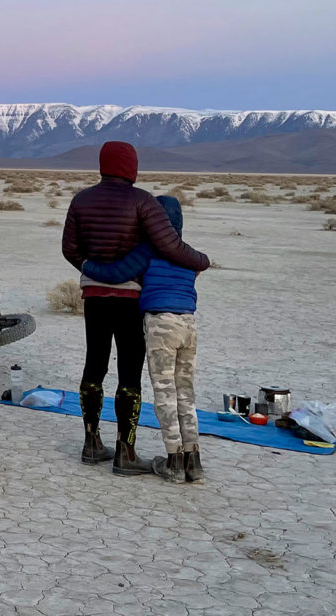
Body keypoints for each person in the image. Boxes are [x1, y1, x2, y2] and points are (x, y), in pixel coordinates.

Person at [61, 142, 209, 475]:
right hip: (131, 298)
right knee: (129, 372)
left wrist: (88, 266)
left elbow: (69, 248)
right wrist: (201, 261)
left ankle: (91, 442)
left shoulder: (81, 200)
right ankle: (125, 452)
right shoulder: (142, 201)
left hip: (94, 295)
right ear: (131, 165)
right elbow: (168, 244)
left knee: (94, 364)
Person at [82, 195, 205, 484]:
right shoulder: (189, 255)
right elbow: (202, 262)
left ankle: (173, 462)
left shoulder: (147, 251)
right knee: (185, 393)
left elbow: (116, 273)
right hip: (189, 323)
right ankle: (193, 460)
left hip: (161, 326)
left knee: (165, 393)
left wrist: (87, 267)